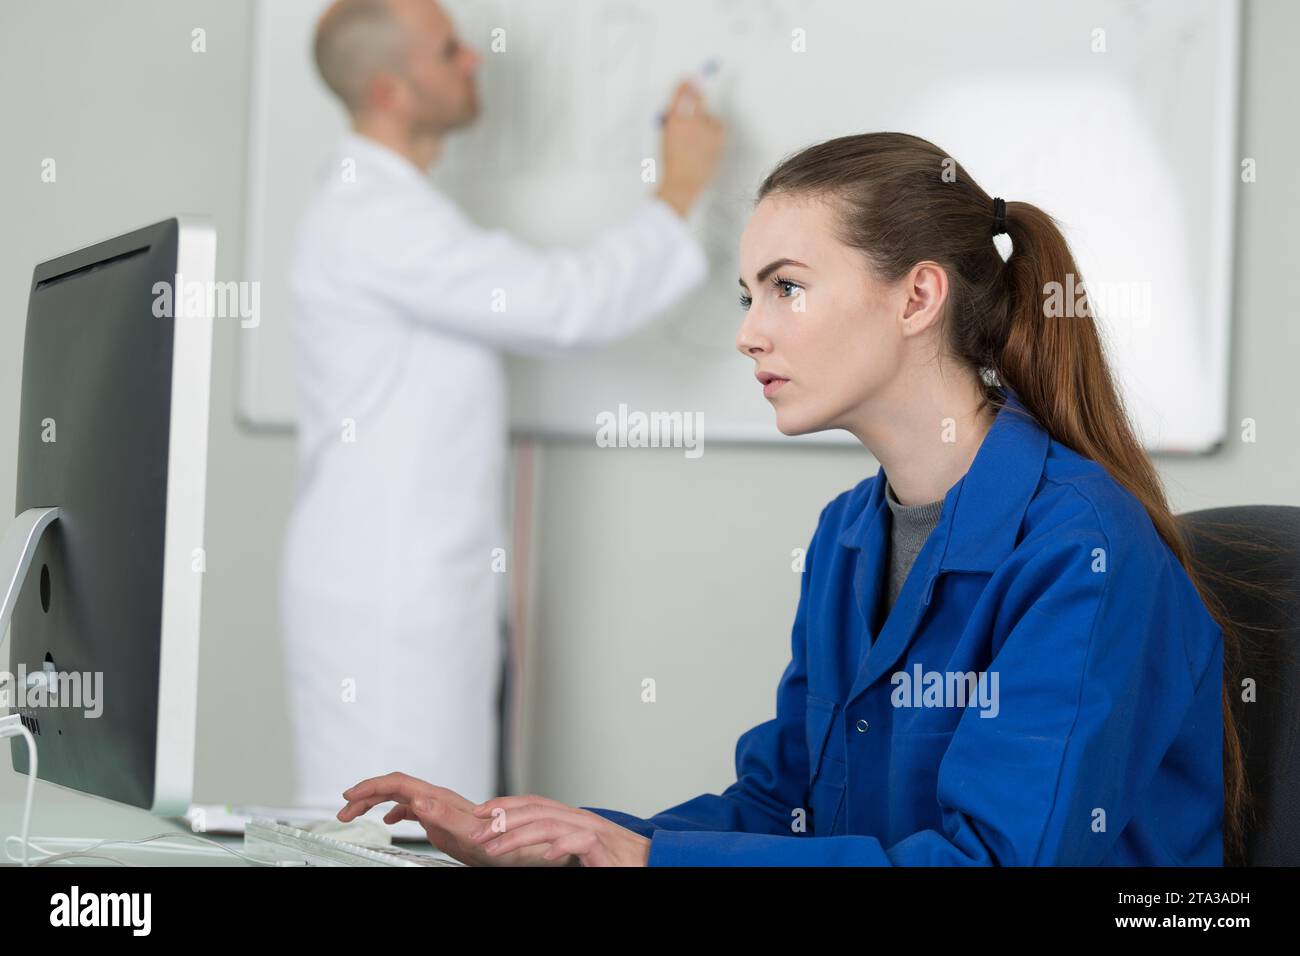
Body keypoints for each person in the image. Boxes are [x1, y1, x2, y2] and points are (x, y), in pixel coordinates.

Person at [336, 132, 1243, 866]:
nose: (748, 333)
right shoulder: (848, 533)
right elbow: (784, 808)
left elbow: (993, 863)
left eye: (788, 288)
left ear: (918, 295)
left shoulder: (1081, 548)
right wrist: (552, 838)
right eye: (749, 294)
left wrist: (646, 862)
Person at [281, 0, 724, 809]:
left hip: (409, 590)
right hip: (391, 609)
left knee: (428, 827)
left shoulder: (393, 210)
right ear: (390, 89)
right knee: (399, 842)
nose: (474, 60)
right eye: (448, 50)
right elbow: (561, 305)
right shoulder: (375, 221)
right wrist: (680, 191)